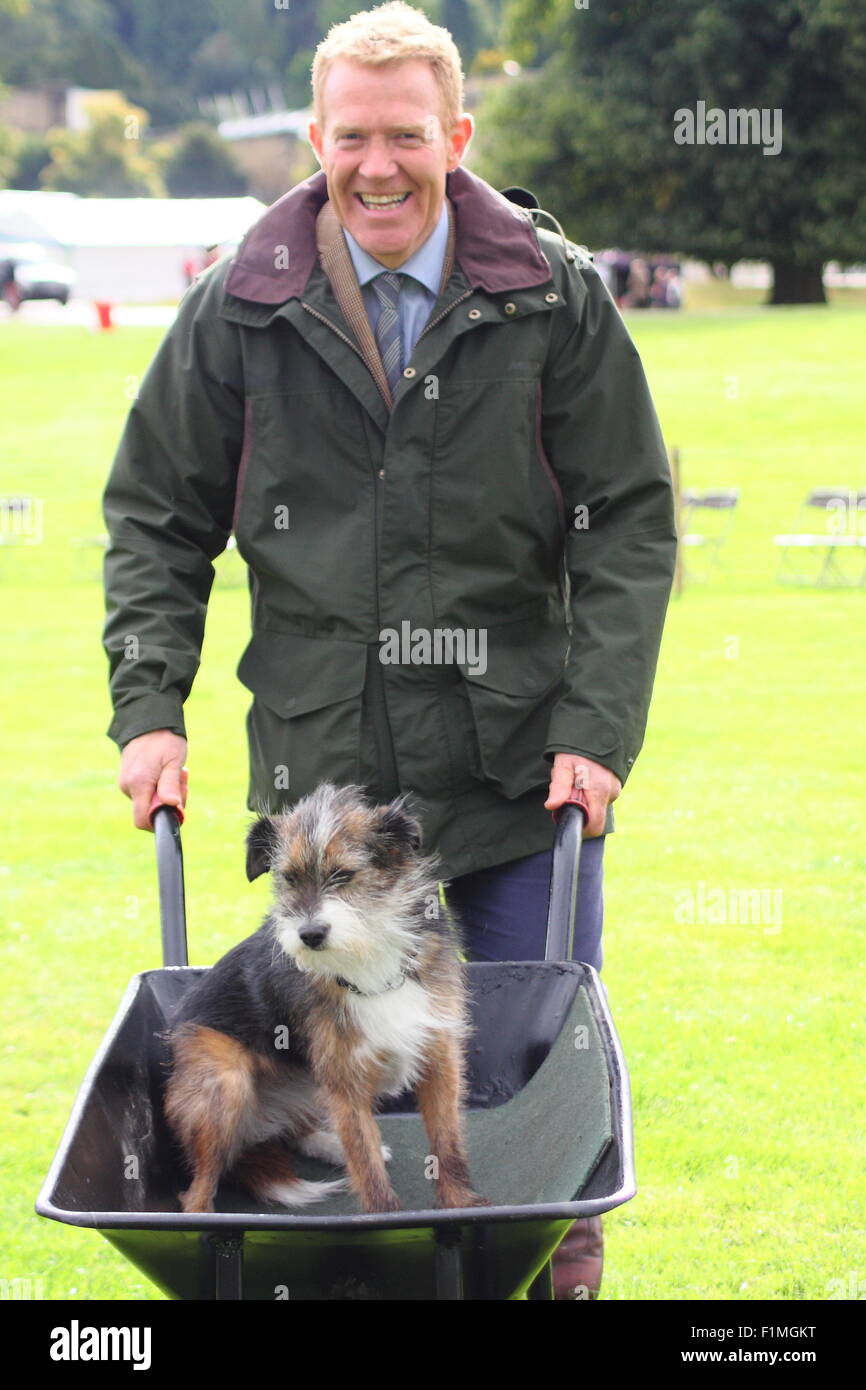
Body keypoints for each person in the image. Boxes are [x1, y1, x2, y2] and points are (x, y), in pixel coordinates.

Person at [102, 1, 677, 1299]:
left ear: (455, 134)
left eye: (404, 135)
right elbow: (154, 513)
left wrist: (596, 727)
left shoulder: (551, 298)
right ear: (316, 136)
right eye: (351, 135)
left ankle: (548, 1271)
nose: (377, 164)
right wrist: (150, 708)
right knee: (333, 1083)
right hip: (323, 813)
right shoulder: (238, 309)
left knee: (524, 1084)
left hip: (516, 790)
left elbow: (630, 519)